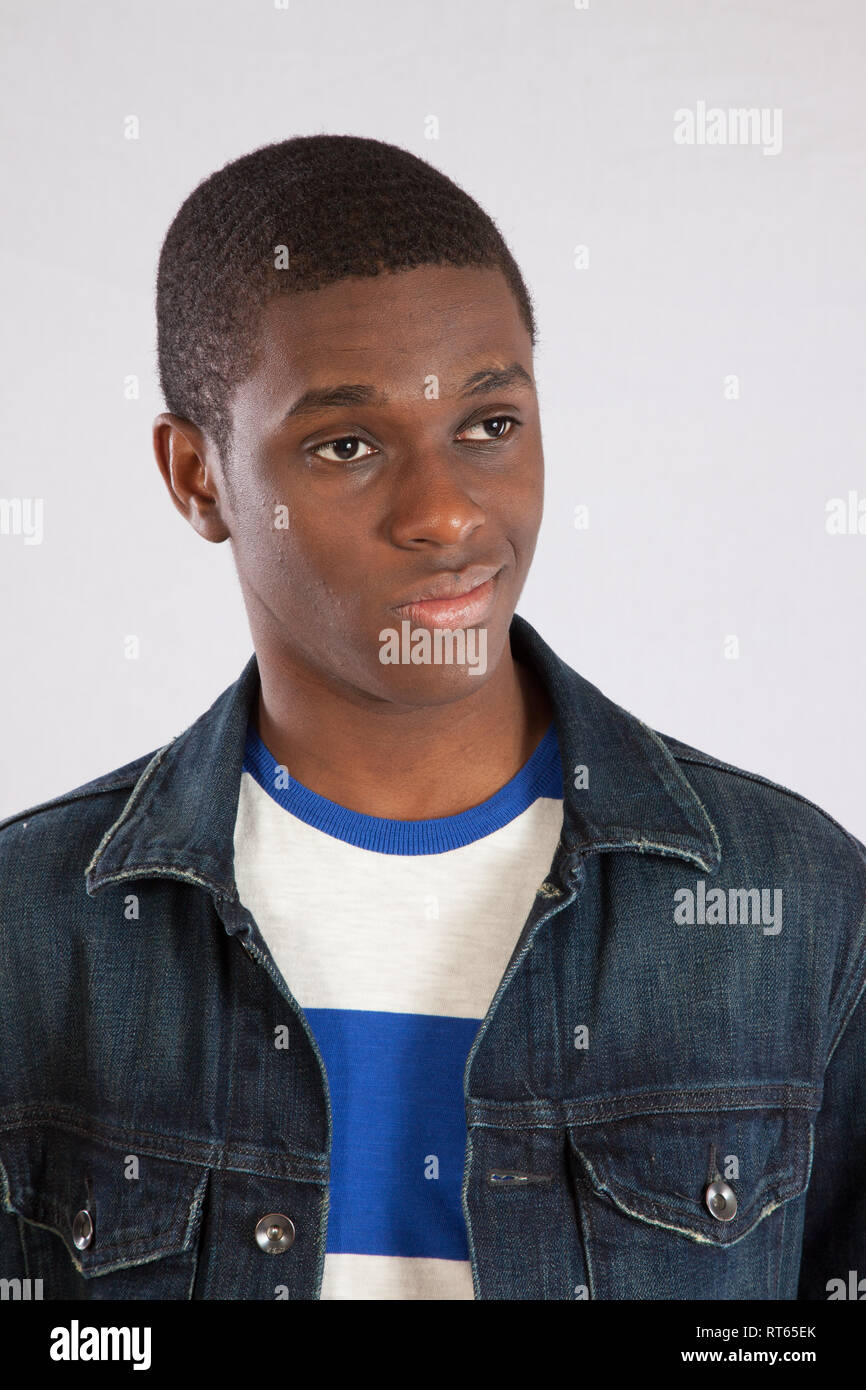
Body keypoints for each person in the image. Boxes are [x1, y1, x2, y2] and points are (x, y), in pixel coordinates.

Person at [1, 134, 863, 1302]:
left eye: (488, 423)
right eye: (346, 445)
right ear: (198, 477)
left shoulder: (795, 908)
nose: (445, 512)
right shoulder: (32, 932)